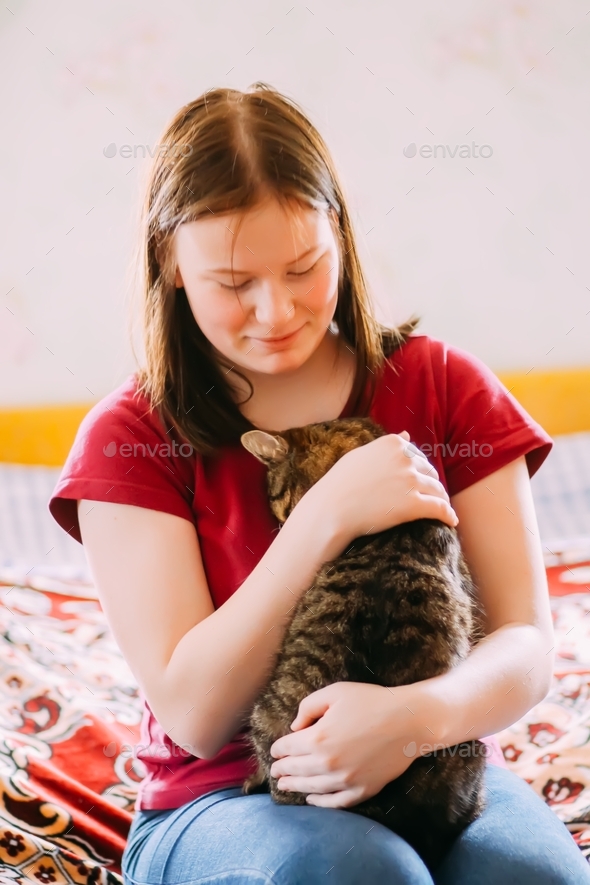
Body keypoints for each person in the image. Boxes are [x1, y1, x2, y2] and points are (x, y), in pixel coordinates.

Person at [49, 83, 590, 884]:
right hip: (229, 795)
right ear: (170, 260)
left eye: (304, 268)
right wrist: (324, 514)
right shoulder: (131, 437)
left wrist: (413, 719)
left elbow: (526, 644)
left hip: (434, 760)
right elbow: (197, 718)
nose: (276, 311)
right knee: (359, 870)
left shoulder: (443, 384)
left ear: (339, 232)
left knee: (533, 875)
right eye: (235, 283)